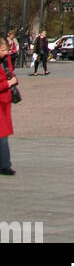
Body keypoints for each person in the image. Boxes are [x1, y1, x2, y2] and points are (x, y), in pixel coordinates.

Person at [0, 36, 18, 175]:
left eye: (6, 49)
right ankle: (5, 164)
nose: (5, 52)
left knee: (4, 134)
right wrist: (9, 83)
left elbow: (10, 73)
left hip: (5, 101)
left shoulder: (6, 60)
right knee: (2, 136)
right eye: (2, 50)